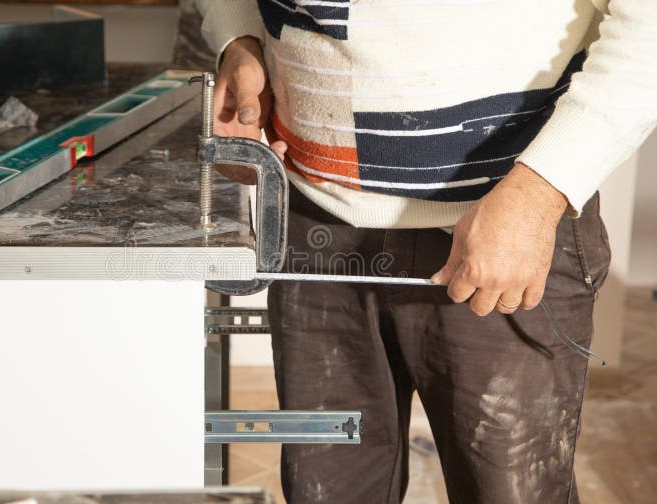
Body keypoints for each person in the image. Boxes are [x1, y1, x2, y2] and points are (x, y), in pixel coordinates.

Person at [195, 1, 656, 502]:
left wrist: (540, 191)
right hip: (313, 219)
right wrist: (240, 41)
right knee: (328, 490)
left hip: (504, 230)